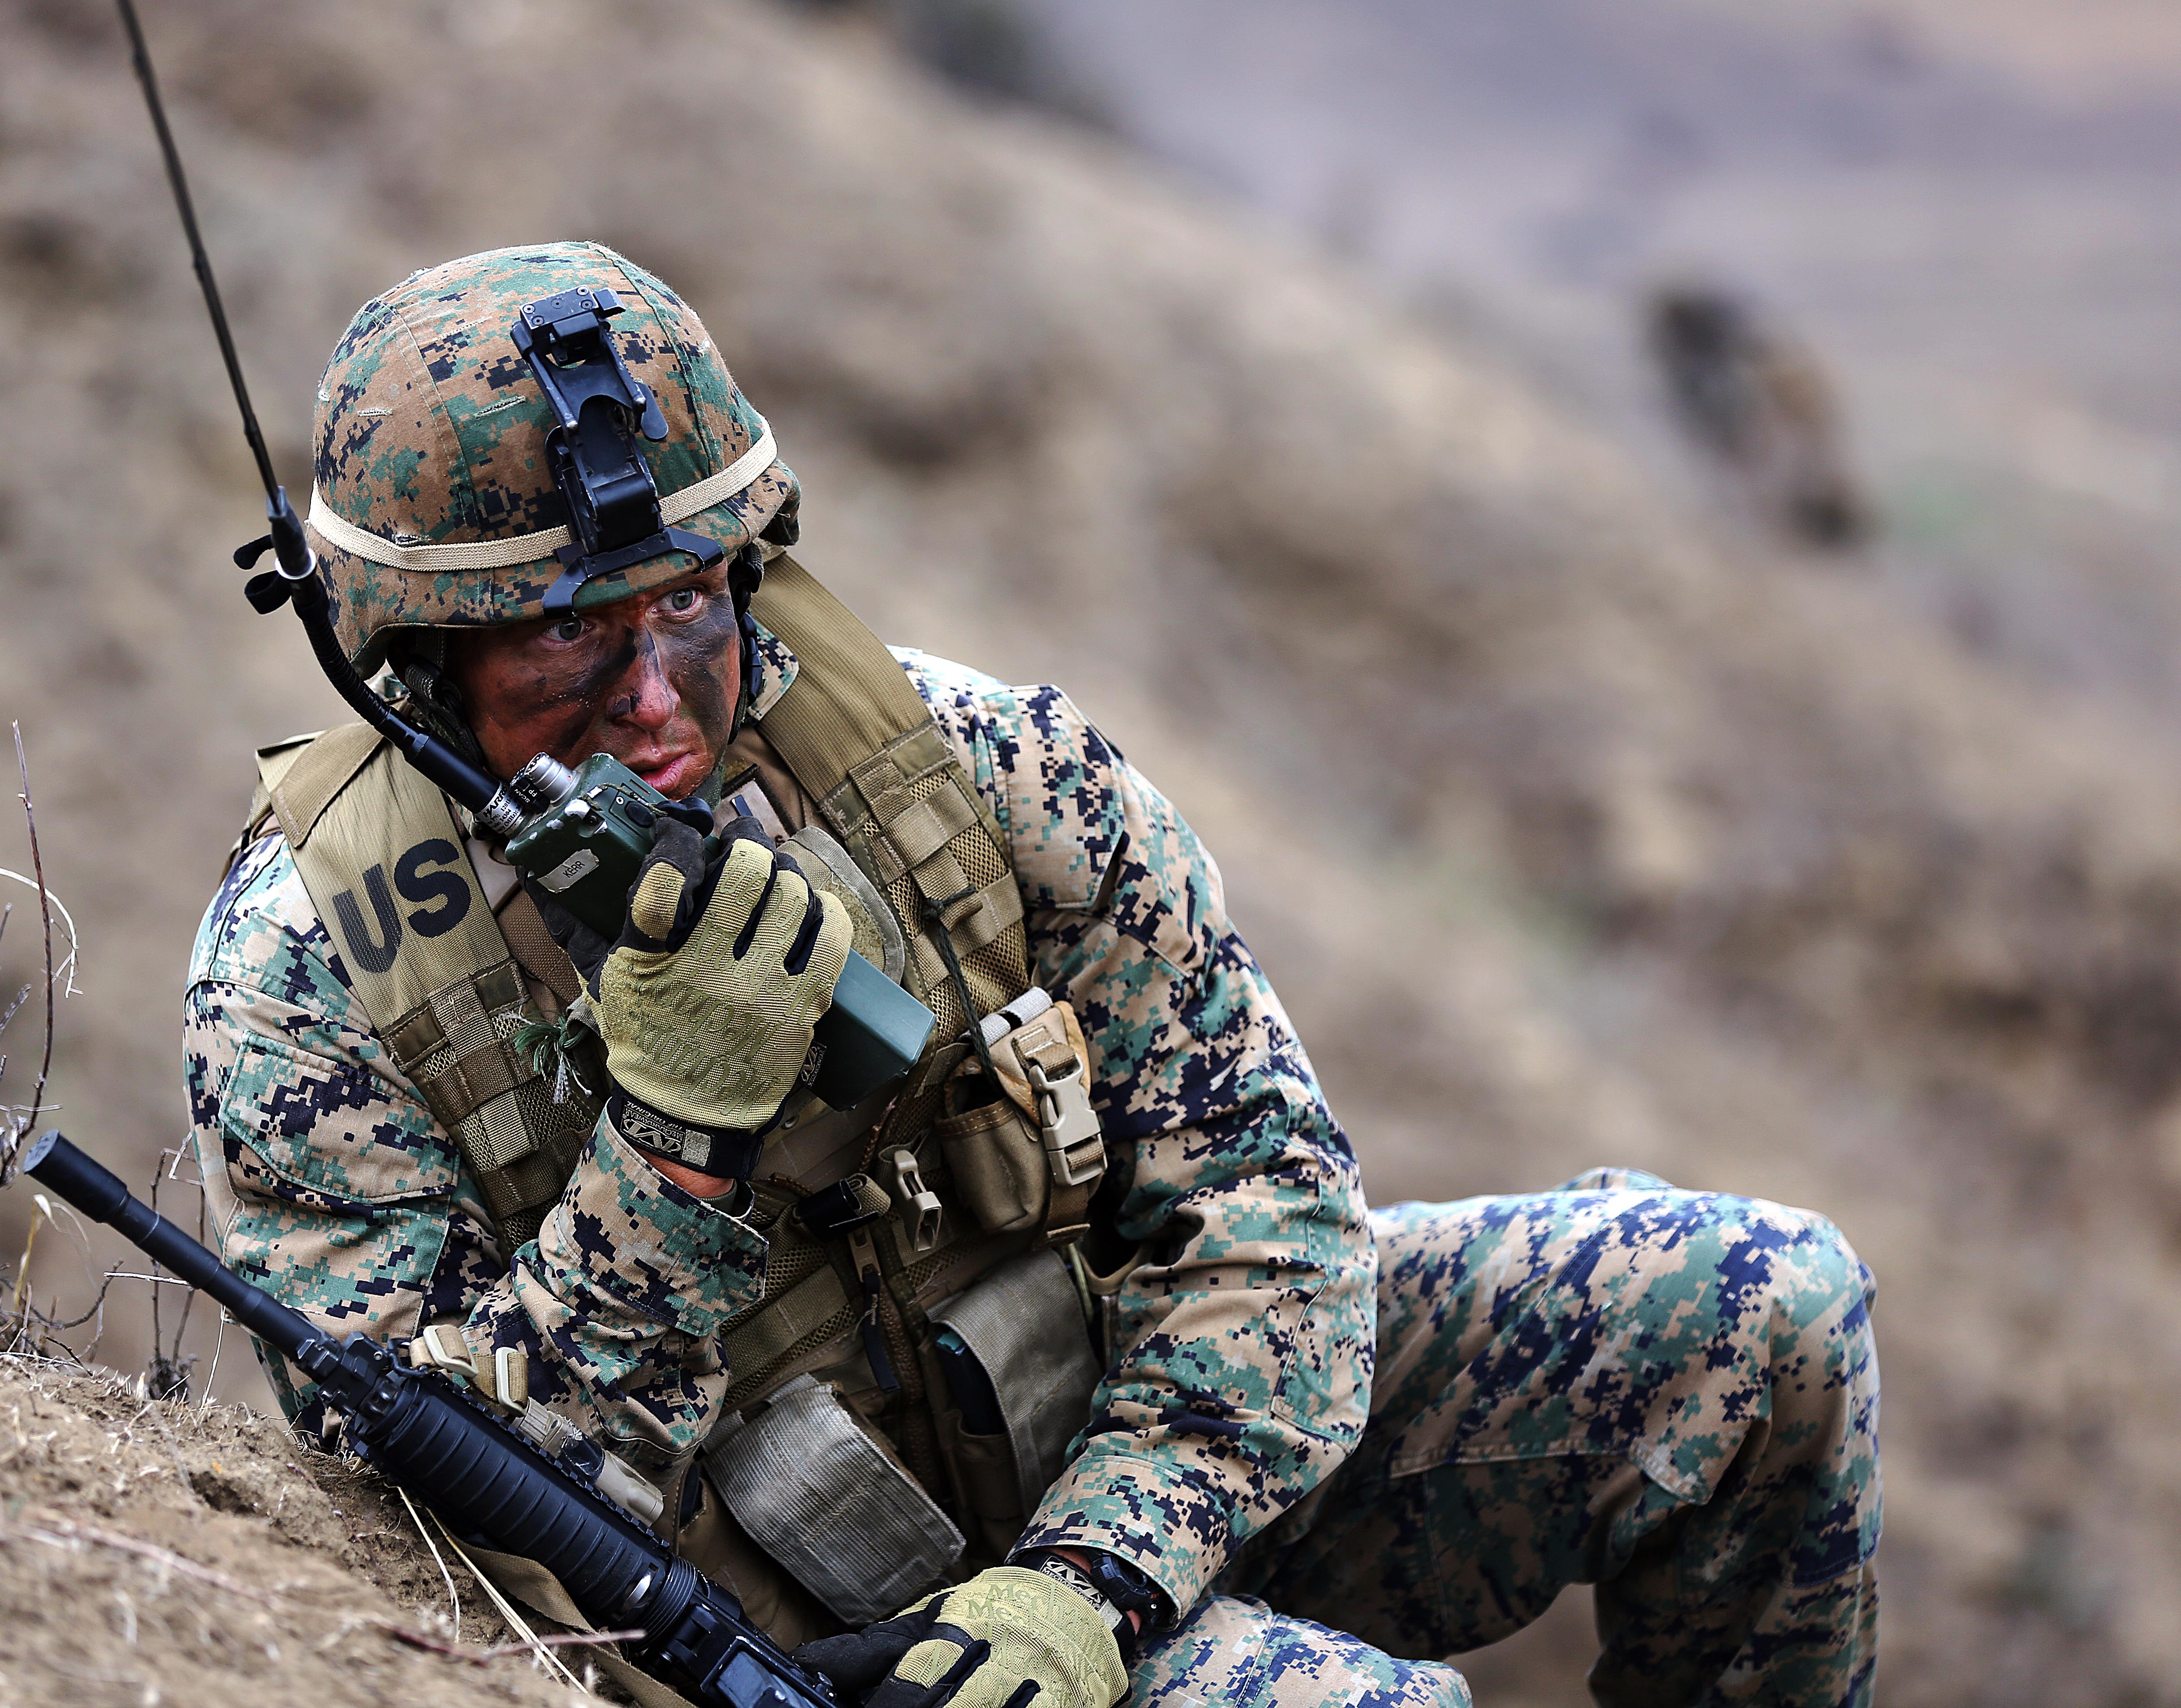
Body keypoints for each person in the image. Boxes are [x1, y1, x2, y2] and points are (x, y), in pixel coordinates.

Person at [184, 244, 1881, 1708]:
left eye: (691, 604)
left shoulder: (965, 776)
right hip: (800, 1643)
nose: (656, 700)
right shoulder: (320, 980)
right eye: (567, 632)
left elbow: (1268, 1209)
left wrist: (1092, 1582)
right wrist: (672, 1149)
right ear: (414, 656)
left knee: (1765, 1315)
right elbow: (414, 1534)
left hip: (1130, 1471)